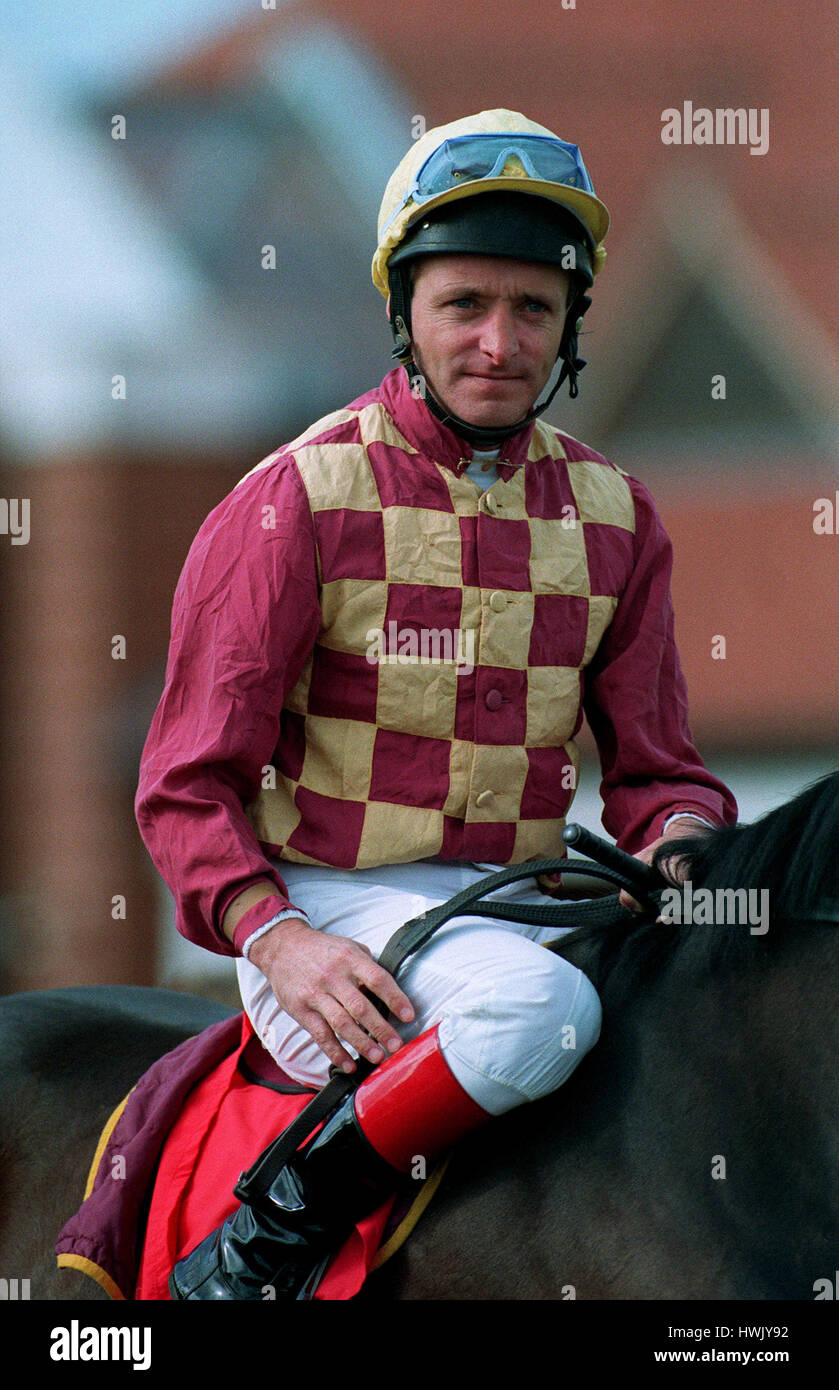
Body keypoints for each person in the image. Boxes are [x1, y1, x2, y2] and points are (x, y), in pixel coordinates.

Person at [136, 108, 737, 1300]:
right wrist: (278, 938)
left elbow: (660, 773)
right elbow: (184, 788)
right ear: (403, 310)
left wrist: (683, 845)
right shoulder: (290, 503)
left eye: (532, 309)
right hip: (324, 922)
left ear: (569, 328)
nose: (498, 342)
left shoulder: (616, 515)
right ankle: (271, 1231)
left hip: (520, 903)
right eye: (465, 303)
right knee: (544, 1012)